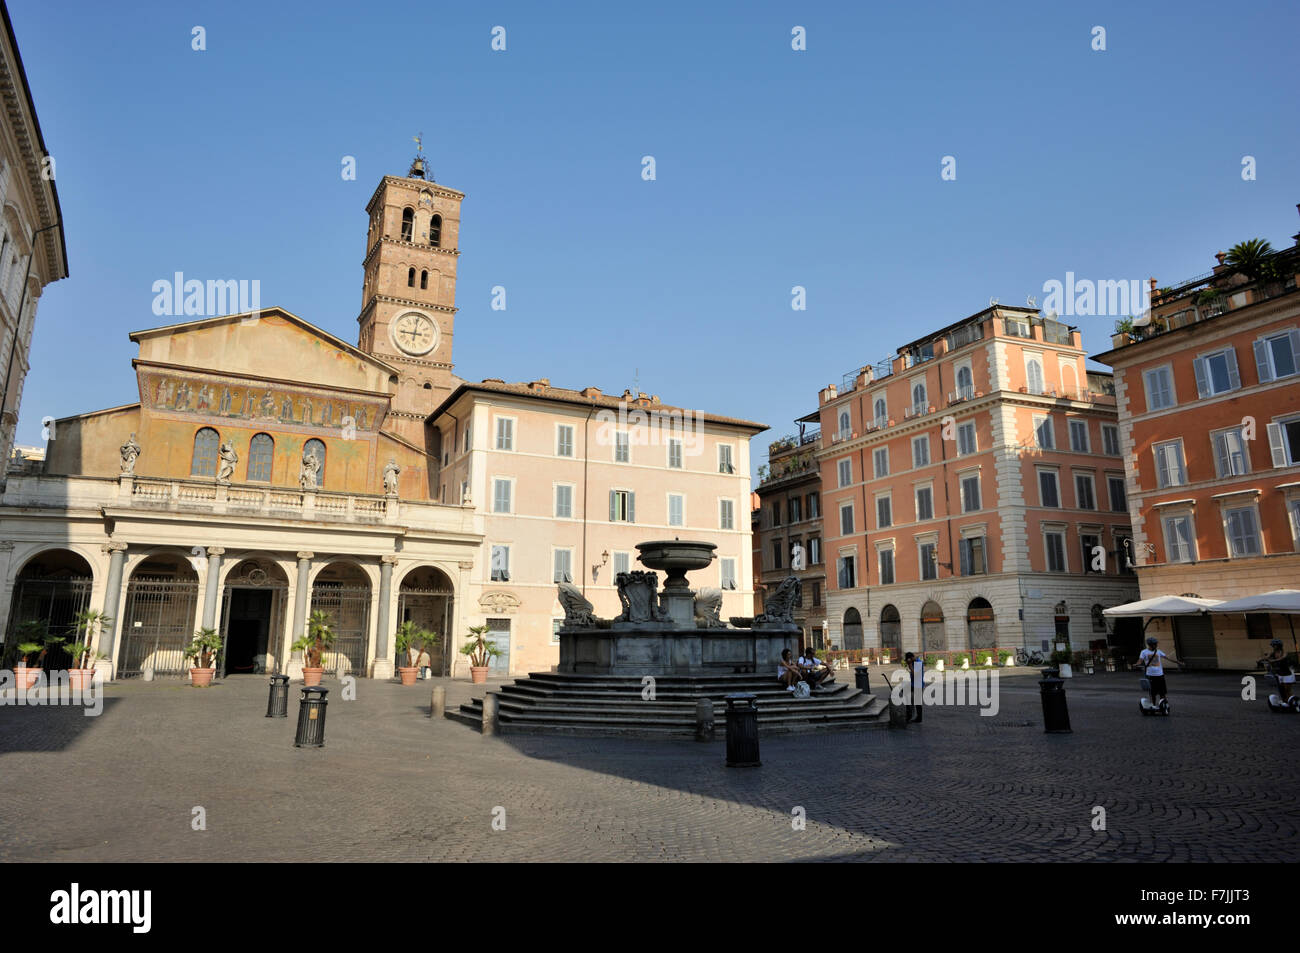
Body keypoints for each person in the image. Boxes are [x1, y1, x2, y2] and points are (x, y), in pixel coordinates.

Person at [1133, 635, 1182, 707]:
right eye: (1154, 644)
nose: (1156, 645)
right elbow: (1140, 661)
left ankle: (1164, 705)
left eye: (1156, 644)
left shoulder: (1158, 651)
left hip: (1160, 675)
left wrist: (1178, 662)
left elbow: (1168, 658)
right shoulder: (1144, 652)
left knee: (1162, 692)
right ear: (1150, 645)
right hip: (1150, 675)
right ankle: (1153, 705)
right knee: (1153, 692)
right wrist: (1136, 664)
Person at [1259, 639, 1295, 703]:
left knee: (1287, 689)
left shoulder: (1284, 652)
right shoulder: (1273, 653)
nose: (1273, 647)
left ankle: (1292, 701)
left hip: (1288, 673)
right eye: (1273, 645)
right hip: (1280, 673)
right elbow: (1267, 657)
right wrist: (1261, 660)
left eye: (1274, 645)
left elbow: (1283, 658)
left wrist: (1274, 661)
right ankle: (1285, 701)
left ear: (1279, 645)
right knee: (1282, 689)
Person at [904, 651, 924, 723]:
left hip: (918, 685)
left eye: (908, 660)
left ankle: (918, 718)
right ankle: (909, 714)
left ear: (911, 658)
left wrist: (910, 666)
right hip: (913, 684)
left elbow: (915, 674)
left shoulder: (918, 663)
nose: (908, 662)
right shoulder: (913, 662)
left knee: (918, 702)